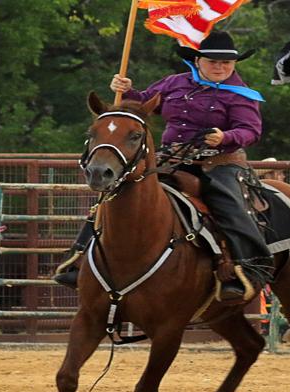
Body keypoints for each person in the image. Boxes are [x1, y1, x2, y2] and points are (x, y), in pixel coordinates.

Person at [55, 31, 272, 302]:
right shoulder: (174, 83)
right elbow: (144, 103)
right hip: (169, 160)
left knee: (229, 206)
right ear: (198, 60)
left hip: (218, 164)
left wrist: (225, 137)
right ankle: (78, 257)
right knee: (114, 195)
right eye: (213, 61)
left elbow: (250, 131)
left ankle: (246, 268)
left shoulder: (241, 95)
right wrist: (125, 90)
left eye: (226, 63)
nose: (220, 67)